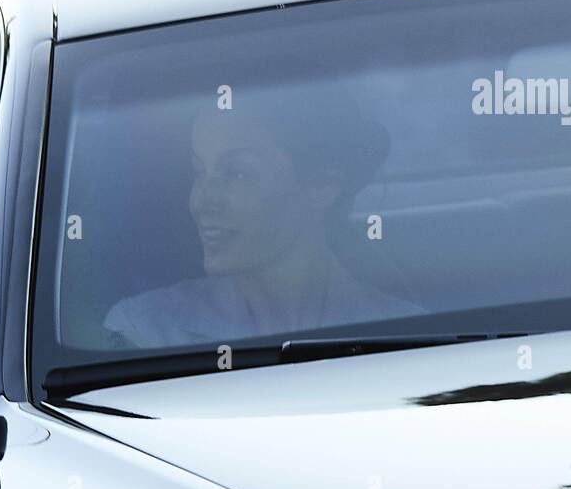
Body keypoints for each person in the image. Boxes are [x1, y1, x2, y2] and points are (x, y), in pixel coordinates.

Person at [104, 84, 421, 347]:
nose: (201, 201)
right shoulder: (145, 332)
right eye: (198, 172)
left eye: (235, 173)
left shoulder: (405, 336)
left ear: (322, 186)